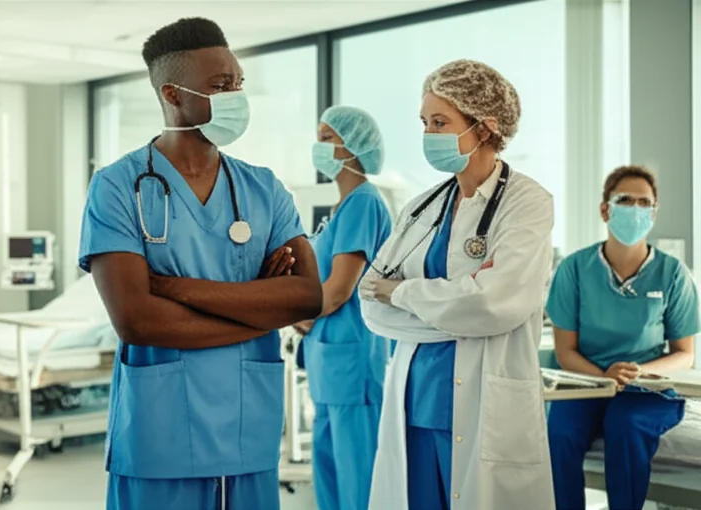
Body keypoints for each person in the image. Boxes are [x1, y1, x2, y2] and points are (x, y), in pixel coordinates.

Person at [78, 17, 324, 510]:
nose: (237, 96)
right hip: (160, 436)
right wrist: (260, 310)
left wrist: (173, 288)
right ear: (172, 94)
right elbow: (136, 321)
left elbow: (306, 298)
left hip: (249, 434)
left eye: (238, 83)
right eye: (221, 85)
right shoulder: (118, 187)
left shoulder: (263, 188)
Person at [357, 59, 555, 510]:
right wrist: (457, 305)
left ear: (485, 127)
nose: (428, 134)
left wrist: (403, 293)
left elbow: (496, 304)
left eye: (440, 122)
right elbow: (371, 300)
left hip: (486, 397)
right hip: (415, 398)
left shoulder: (526, 202)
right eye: (425, 122)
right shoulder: (422, 207)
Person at [546, 165, 698, 510]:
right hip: (585, 382)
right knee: (559, 434)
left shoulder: (673, 273)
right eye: (625, 200)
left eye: (644, 203)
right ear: (605, 210)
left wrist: (638, 373)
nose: (635, 208)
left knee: (626, 425)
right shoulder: (574, 269)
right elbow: (566, 351)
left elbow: (684, 353)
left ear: (654, 213)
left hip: (647, 387)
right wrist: (604, 378)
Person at [292, 105, 392, 510]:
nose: (319, 146)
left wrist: (300, 313)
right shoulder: (342, 208)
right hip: (329, 364)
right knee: (331, 476)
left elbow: (337, 290)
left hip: (352, 361)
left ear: (353, 146)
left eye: (327, 138)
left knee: (358, 480)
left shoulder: (364, 203)